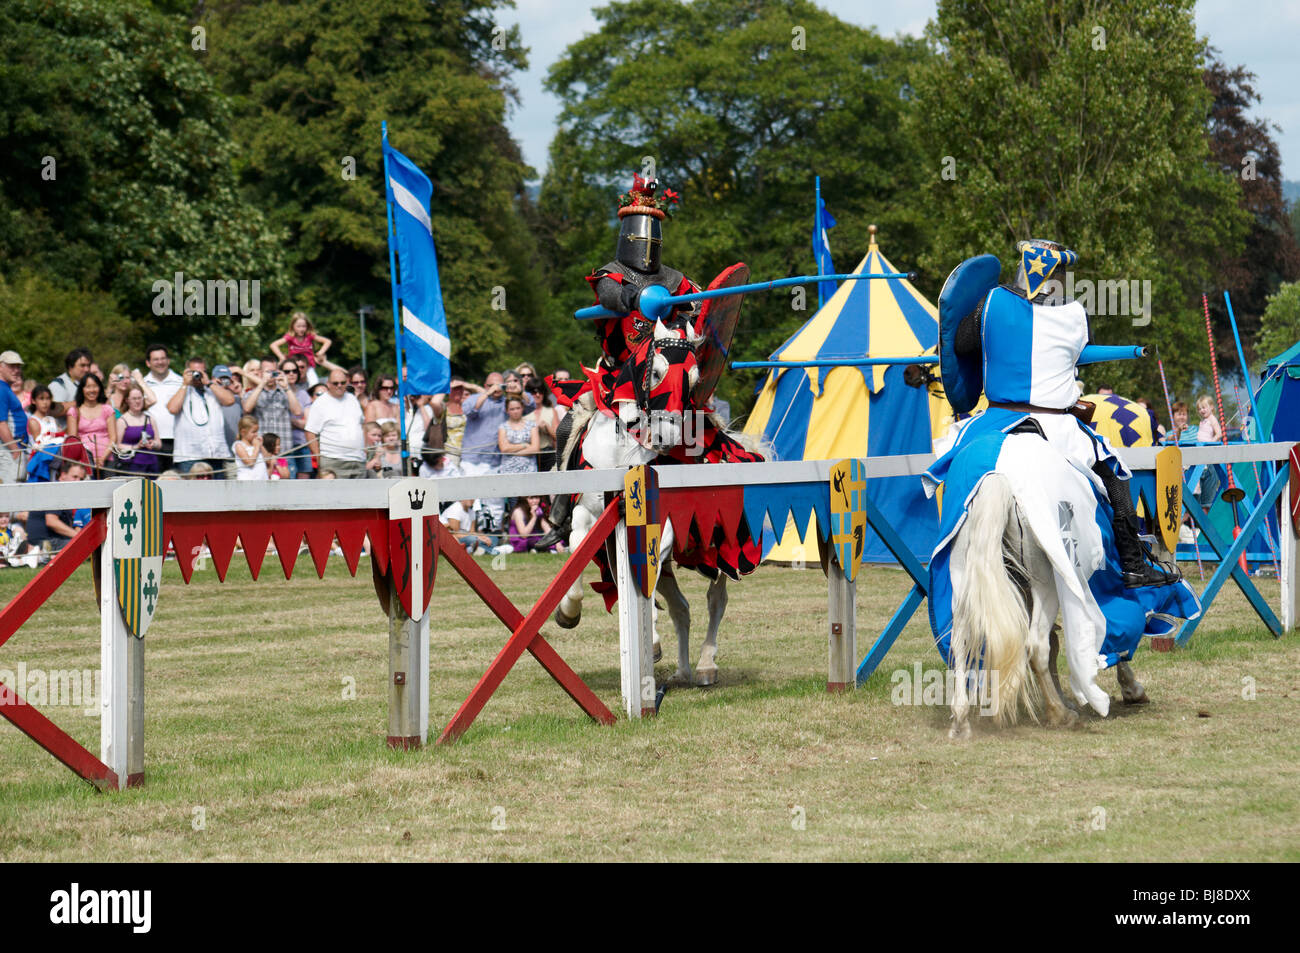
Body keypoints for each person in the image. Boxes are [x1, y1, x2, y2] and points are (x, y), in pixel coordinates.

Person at [940, 238, 1176, 588]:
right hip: (1057, 427)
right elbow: (1076, 352)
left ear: (1024, 268)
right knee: (1115, 475)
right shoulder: (1075, 315)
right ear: (1058, 276)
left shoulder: (991, 303)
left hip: (996, 421)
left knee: (952, 461)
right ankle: (1133, 565)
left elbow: (960, 344)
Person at [167, 358, 236, 477]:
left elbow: (230, 400)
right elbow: (173, 408)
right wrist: (185, 384)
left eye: (201, 371)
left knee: (218, 491)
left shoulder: (212, 389)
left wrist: (209, 382)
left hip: (216, 452)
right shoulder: (179, 389)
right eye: (194, 372)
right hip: (190, 454)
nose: (197, 375)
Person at [461, 372, 508, 531]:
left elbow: (528, 404)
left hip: (494, 461)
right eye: (492, 385)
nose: (496, 389)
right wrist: (486, 393)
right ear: (485, 385)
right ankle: (469, 537)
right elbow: (469, 411)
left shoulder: (508, 402)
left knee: (494, 501)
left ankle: (492, 537)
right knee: (469, 500)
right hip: (471, 459)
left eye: (500, 385)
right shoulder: (474, 399)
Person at [242, 358, 302, 473]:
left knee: (290, 489)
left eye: (273, 372)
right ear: (260, 373)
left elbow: (298, 412)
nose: (270, 375)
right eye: (267, 372)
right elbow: (247, 408)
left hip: (285, 452)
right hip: (261, 454)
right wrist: (261, 384)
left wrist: (286, 387)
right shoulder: (252, 393)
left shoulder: (286, 392)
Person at [305, 369, 366, 478]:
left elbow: (362, 425)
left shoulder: (352, 399)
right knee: (332, 495)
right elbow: (310, 432)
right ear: (328, 384)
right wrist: (319, 458)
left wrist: (365, 450)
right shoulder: (320, 402)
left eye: (342, 383)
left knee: (360, 495)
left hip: (358, 459)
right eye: (335, 383)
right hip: (332, 460)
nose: (339, 386)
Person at [24, 462, 88, 554]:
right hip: (45, 542)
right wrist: (79, 537)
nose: (78, 481)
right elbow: (52, 521)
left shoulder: (59, 490)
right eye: (74, 477)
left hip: (48, 540)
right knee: (87, 546)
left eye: (81, 479)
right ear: (63, 475)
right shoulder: (56, 490)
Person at [65, 373, 117, 477]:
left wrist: (103, 458)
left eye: (95, 386)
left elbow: (113, 437)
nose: (92, 390)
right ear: (82, 389)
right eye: (88, 387)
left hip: (107, 459)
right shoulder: (74, 411)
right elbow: (73, 440)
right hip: (84, 462)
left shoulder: (107, 409)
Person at [141, 344, 184, 468]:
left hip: (177, 440)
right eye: (155, 359)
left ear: (168, 360)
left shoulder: (180, 382)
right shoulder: (141, 384)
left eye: (163, 358)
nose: (160, 362)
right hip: (151, 442)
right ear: (148, 363)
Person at [111, 384, 162, 477]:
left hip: (152, 465)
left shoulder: (150, 419)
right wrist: (135, 446)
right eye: (134, 399)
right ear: (127, 400)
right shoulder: (122, 421)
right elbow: (117, 446)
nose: (137, 401)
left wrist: (153, 444)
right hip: (132, 465)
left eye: (139, 398)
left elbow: (159, 443)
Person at [270, 311, 331, 386]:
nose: (301, 329)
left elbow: (327, 341)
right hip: (294, 367)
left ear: (307, 326)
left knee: (314, 383)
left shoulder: (309, 335)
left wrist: (320, 353)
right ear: (293, 326)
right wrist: (282, 357)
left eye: (304, 326)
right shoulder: (290, 337)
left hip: (308, 366)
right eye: (298, 326)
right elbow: (273, 345)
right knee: (288, 382)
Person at [281, 359, 313, 478]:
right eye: (287, 371)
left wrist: (291, 422)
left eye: (295, 371)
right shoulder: (277, 393)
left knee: (304, 483)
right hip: (284, 445)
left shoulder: (303, 394)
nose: (291, 374)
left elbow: (308, 424)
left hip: (301, 444)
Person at [0, 350, 28, 484]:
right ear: (1, 367)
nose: (16, 370)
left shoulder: (5, 389)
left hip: (12, 450)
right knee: (10, 498)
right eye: (12, 366)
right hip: (8, 452)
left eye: (18, 367)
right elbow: (1, 423)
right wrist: (15, 450)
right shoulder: (1, 389)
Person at [48, 347, 93, 427]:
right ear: (70, 366)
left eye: (88, 365)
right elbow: (55, 410)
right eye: (82, 365)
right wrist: (84, 401)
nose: (87, 369)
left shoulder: (89, 383)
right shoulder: (59, 384)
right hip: (64, 434)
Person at [498, 396, 539, 475]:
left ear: (522, 408)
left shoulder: (532, 425)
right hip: (508, 469)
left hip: (529, 469)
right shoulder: (503, 427)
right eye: (512, 409)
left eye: (518, 408)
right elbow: (504, 448)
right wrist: (525, 445)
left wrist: (512, 450)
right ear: (507, 410)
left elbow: (535, 448)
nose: (515, 411)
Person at [232, 415, 269, 481]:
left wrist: (261, 446)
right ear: (243, 432)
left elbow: (268, 460)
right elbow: (250, 463)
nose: (256, 434)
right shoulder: (239, 445)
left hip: (261, 480)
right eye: (253, 432)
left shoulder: (256, 444)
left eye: (257, 431)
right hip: (247, 481)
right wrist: (257, 447)